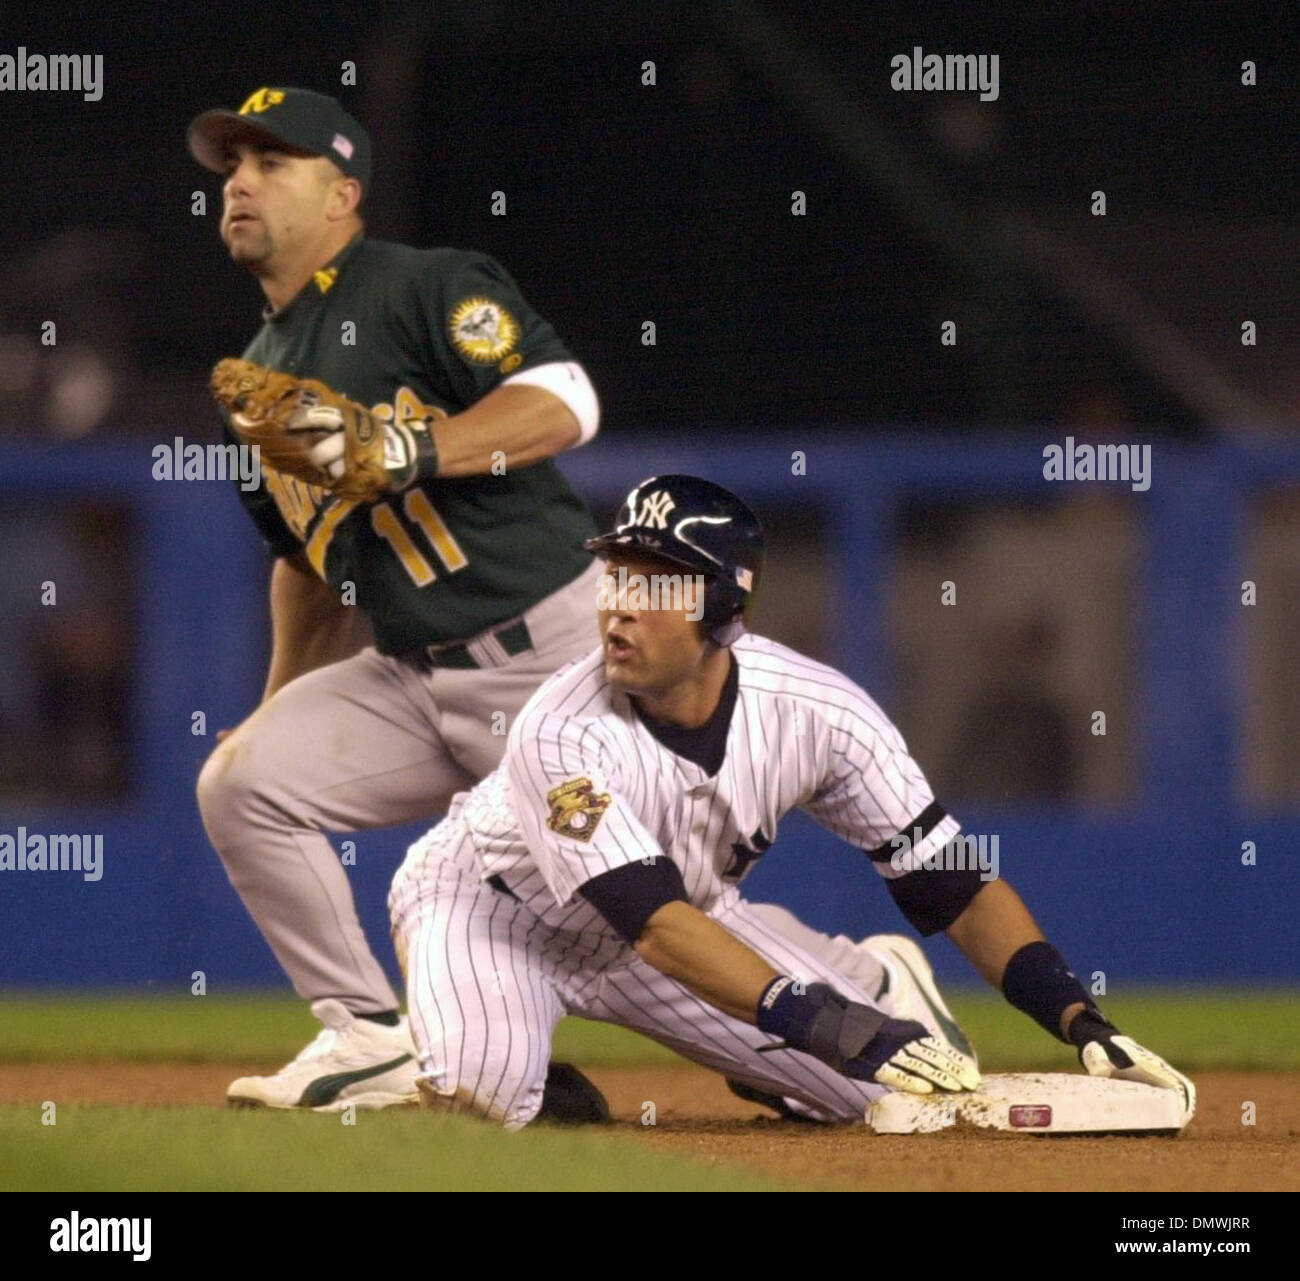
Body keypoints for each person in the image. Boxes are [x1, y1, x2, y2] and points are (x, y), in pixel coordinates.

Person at [389, 475, 1196, 1129]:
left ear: (724, 609)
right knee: (479, 1095)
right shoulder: (558, 728)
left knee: (903, 1099)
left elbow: (953, 882)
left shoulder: (817, 710)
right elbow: (654, 922)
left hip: (683, 923)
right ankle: (497, 1065)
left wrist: (1079, 1018)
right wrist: (829, 1021)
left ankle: (864, 982)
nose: (621, 603)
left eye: (658, 581)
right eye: (618, 574)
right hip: (493, 912)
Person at [189, 85, 610, 1116]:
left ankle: (857, 987)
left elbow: (566, 400)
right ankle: (368, 1036)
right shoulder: (263, 376)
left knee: (635, 936)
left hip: (550, 655)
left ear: (343, 194)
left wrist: (410, 445)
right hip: (414, 672)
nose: (239, 181)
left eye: (269, 162)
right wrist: (280, 696)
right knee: (244, 781)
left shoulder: (419, 285)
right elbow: (305, 560)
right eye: (230, 165)